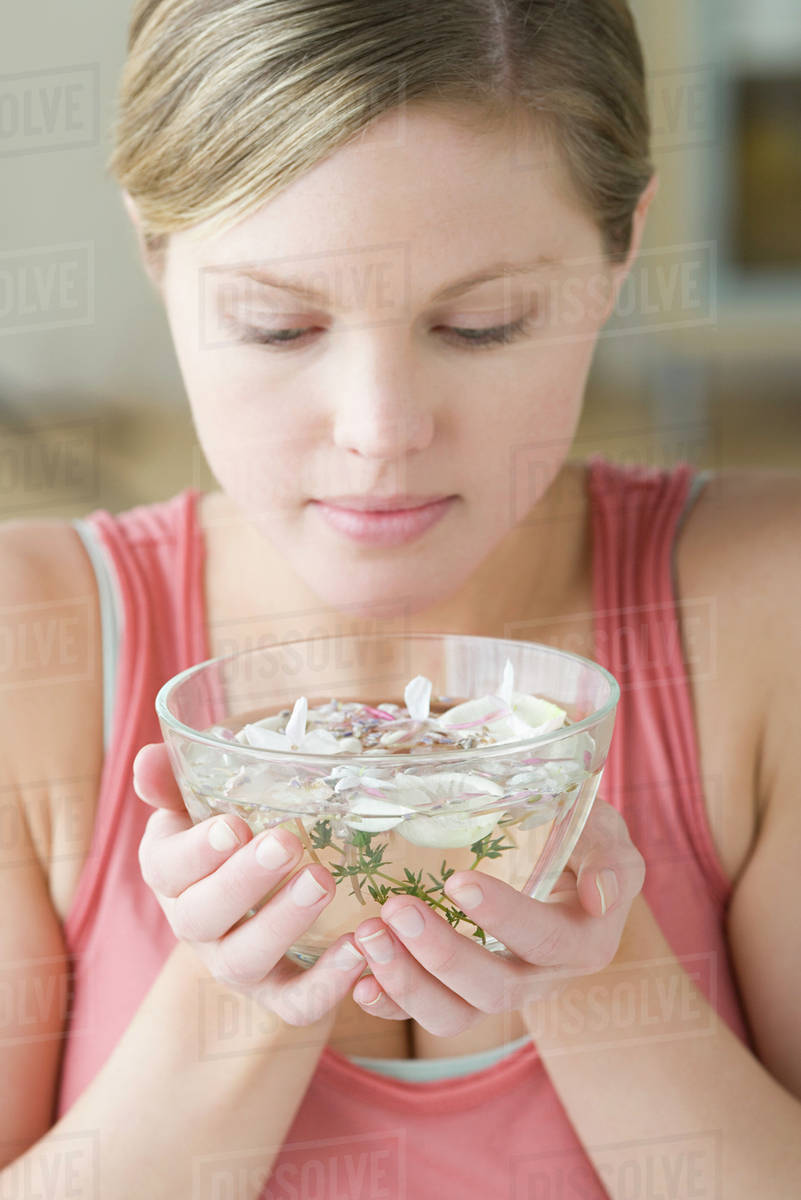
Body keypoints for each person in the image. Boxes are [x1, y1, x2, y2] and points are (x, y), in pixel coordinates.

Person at [2, 1, 799, 1196]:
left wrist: (595, 963)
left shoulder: (771, 603)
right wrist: (247, 997)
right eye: (278, 326)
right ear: (156, 252)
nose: (382, 435)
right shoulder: (32, 645)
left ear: (621, 247)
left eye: (483, 325)